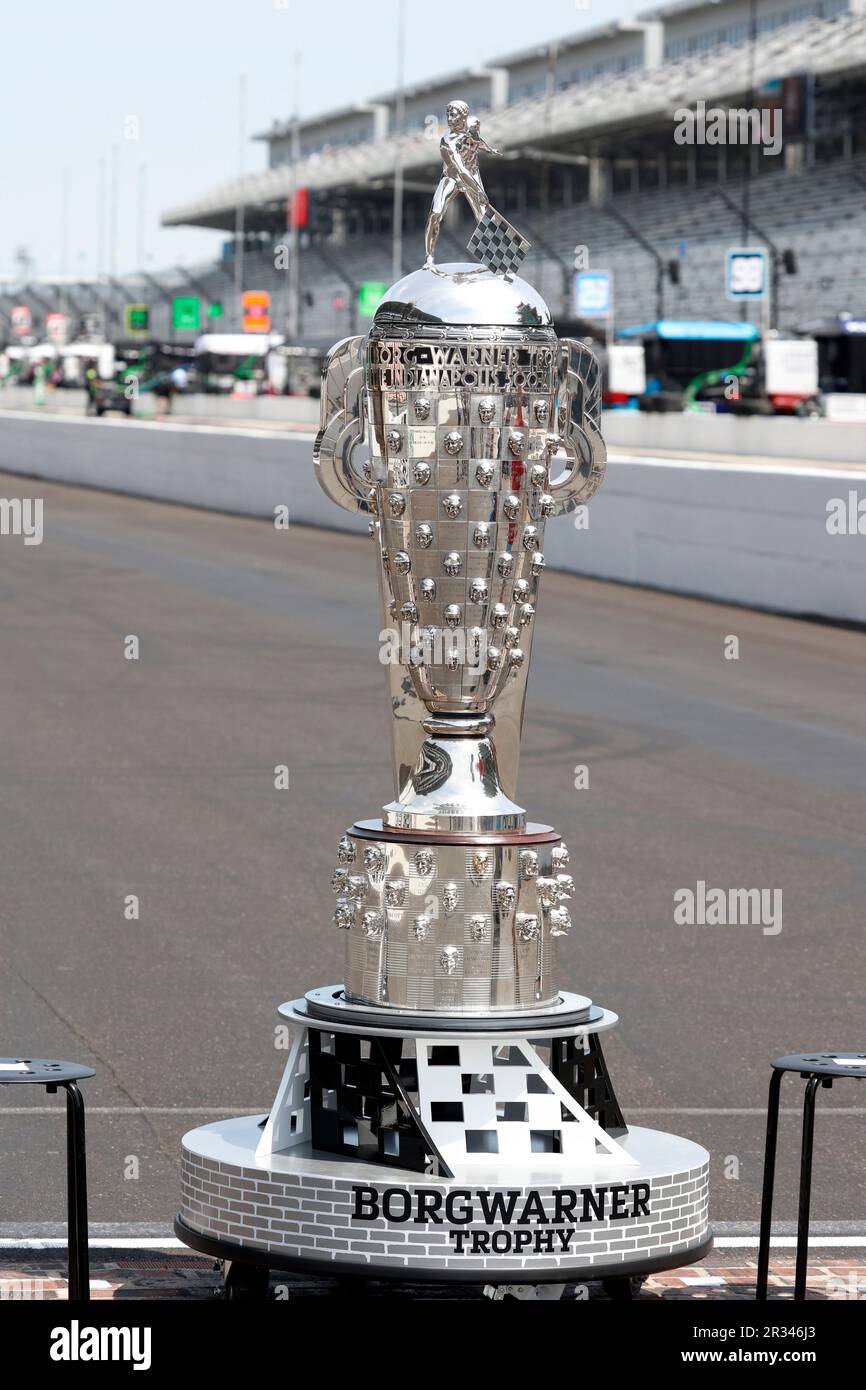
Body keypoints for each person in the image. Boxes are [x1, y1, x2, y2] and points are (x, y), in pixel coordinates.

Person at [424, 101, 502, 269]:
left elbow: (477, 141)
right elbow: (460, 170)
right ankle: (429, 257)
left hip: (472, 172)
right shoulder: (447, 141)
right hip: (453, 176)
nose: (450, 119)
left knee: (482, 215)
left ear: (464, 116)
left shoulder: (472, 128)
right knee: (435, 214)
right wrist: (479, 191)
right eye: (448, 115)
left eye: (454, 115)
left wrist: (489, 150)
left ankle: (494, 257)